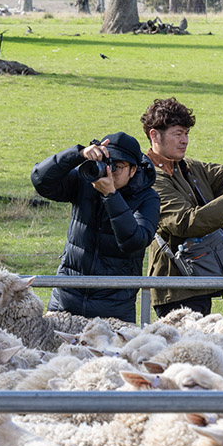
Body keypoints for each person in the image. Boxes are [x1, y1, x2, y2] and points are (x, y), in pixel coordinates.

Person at [141, 98, 223, 318]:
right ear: (154, 135)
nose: (184, 140)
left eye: (186, 133)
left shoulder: (188, 167)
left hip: (198, 278)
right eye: (178, 133)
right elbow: (185, 222)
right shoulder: (150, 179)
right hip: (176, 288)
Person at [31, 132, 159, 322]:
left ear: (133, 170)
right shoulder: (86, 182)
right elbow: (41, 180)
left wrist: (111, 196)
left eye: (117, 167)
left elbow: (134, 241)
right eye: (107, 163)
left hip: (114, 311)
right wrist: (79, 154)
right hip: (66, 303)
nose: (109, 171)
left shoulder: (148, 198)